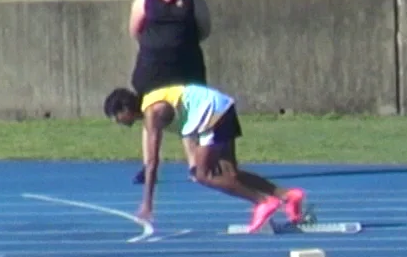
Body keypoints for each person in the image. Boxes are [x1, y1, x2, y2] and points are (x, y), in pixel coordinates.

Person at [103, 83, 306, 233]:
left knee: (202, 174)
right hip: (223, 106)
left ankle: (262, 201)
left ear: (125, 109)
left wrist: (147, 202)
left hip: (211, 113)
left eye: (116, 117)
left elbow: (152, 162)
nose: (117, 122)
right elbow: (187, 124)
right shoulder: (153, 102)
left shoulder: (152, 112)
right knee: (230, 173)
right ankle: (287, 195)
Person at [129, 0, 211, 183]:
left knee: (189, 114)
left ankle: (195, 165)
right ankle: (149, 167)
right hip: (153, 69)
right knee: (151, 115)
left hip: (186, 67)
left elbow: (205, 28)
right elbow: (135, 30)